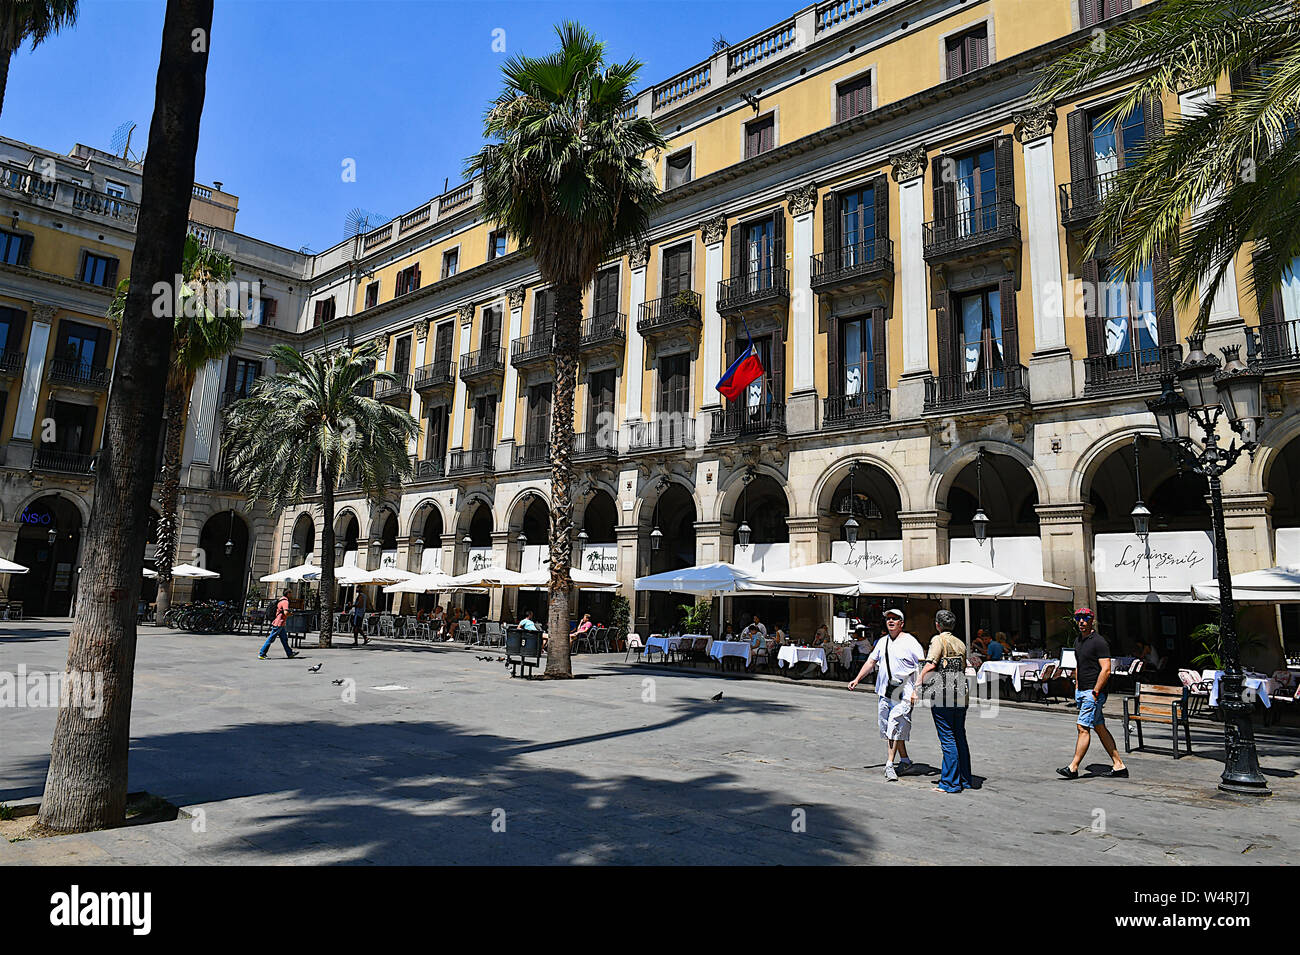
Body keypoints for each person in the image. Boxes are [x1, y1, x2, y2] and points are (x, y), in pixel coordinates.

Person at [849, 608, 924, 781]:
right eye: (888, 618)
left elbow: (922, 667)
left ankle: (889, 764)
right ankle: (905, 761)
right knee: (889, 728)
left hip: (903, 691)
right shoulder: (882, 642)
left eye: (895, 619)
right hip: (884, 691)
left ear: (901, 623)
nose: (890, 621)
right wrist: (857, 679)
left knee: (894, 726)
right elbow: (871, 661)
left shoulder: (911, 642)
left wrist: (916, 690)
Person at [1057, 607, 1128, 780]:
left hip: (1093, 692)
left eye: (1085, 618)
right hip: (1082, 691)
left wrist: (1095, 692)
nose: (1081, 621)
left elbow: (1106, 669)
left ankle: (1073, 767)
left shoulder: (1099, 642)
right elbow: (1079, 666)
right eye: (1078, 618)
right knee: (1099, 727)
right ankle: (1119, 765)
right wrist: (1077, 688)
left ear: (1092, 620)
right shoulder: (1078, 641)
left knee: (1082, 727)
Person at [912, 609, 972, 793]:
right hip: (960, 693)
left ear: (937, 625)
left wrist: (917, 685)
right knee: (959, 736)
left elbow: (931, 663)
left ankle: (950, 782)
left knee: (947, 738)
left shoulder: (938, 640)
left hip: (943, 694)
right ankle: (964, 778)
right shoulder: (960, 642)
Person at [258, 589, 298, 660]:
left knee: (284, 639)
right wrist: (291, 614)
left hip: (280, 623)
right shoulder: (285, 602)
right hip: (279, 623)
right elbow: (285, 613)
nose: (291, 594)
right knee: (271, 639)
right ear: (288, 594)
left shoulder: (280, 600)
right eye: (291, 593)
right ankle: (262, 653)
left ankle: (290, 653)